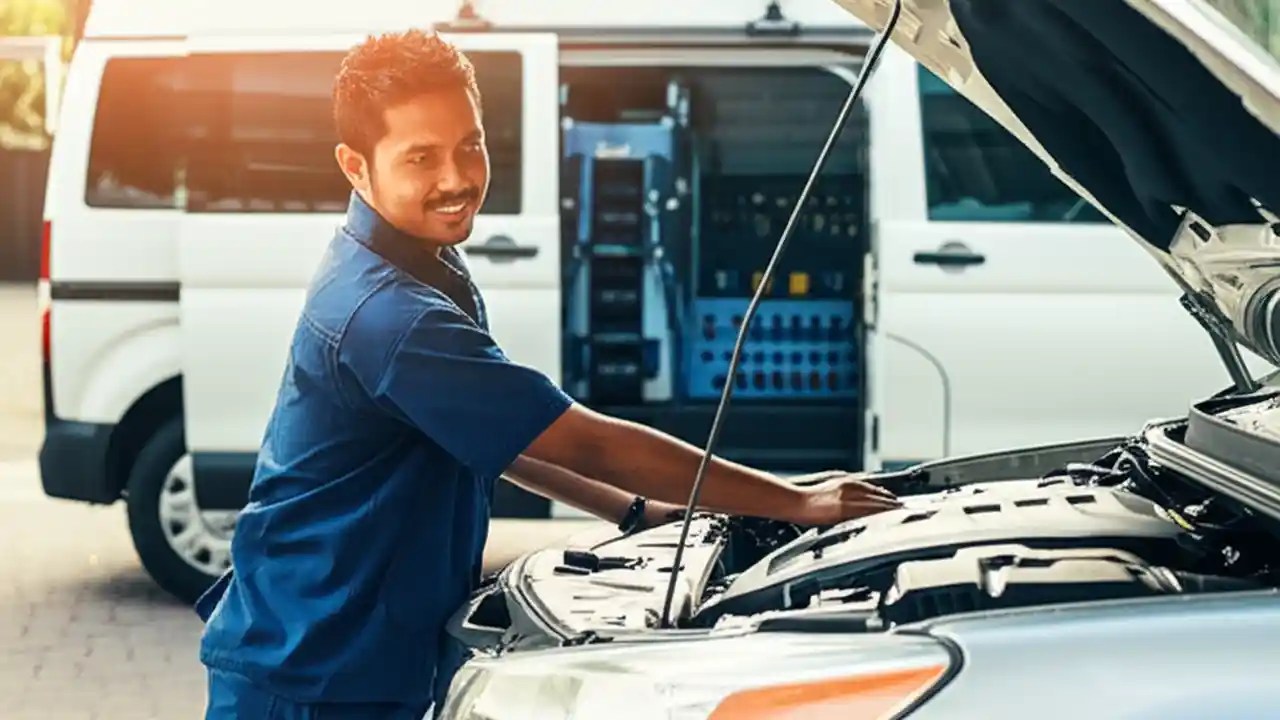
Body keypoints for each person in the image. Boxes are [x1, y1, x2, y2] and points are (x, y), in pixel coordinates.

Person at [197, 28, 902, 720]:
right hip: (311, 677)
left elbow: (494, 435)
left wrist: (632, 512)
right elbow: (584, 440)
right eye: (420, 158)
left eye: (468, 146)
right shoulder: (390, 315)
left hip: (338, 653)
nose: (456, 179)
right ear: (356, 166)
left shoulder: (419, 261)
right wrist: (795, 503)